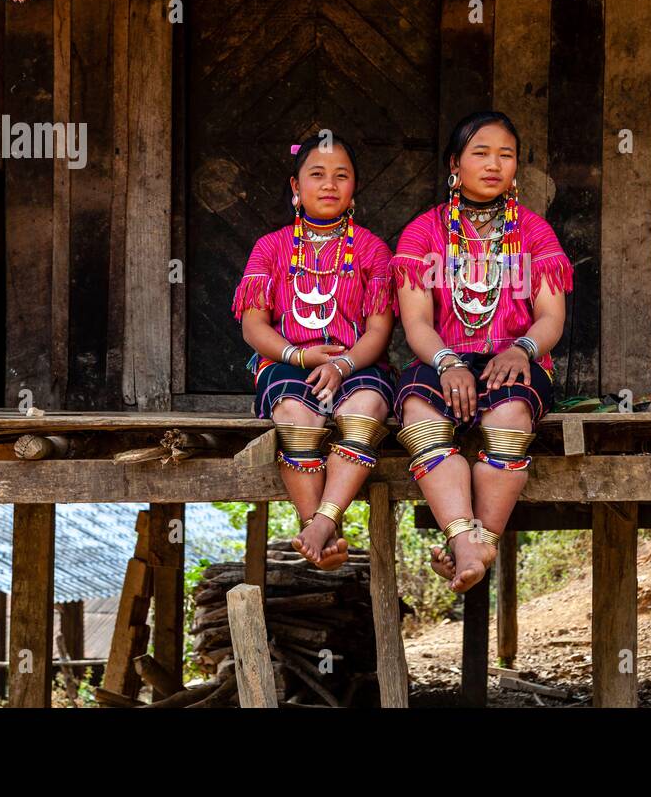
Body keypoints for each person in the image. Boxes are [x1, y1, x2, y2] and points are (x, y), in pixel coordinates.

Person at [392, 111, 572, 593]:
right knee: (418, 411)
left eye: (506, 155)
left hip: (516, 360)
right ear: (455, 164)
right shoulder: (422, 233)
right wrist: (449, 362)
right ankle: (466, 538)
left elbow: (551, 317)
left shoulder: (535, 233)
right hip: (441, 358)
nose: (494, 164)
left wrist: (524, 350)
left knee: (510, 415)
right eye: (481, 152)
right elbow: (416, 323)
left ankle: (482, 539)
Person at [232, 133, 395, 570]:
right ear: (295, 186)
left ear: (354, 185)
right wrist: (302, 357)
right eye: (317, 175)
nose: (329, 184)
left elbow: (379, 330)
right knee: (294, 415)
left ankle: (322, 523)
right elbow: (253, 325)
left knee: (365, 409)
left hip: (358, 363)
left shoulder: (373, 249)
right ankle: (318, 536)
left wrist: (341, 363)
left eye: (341, 176)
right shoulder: (271, 247)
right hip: (288, 362)